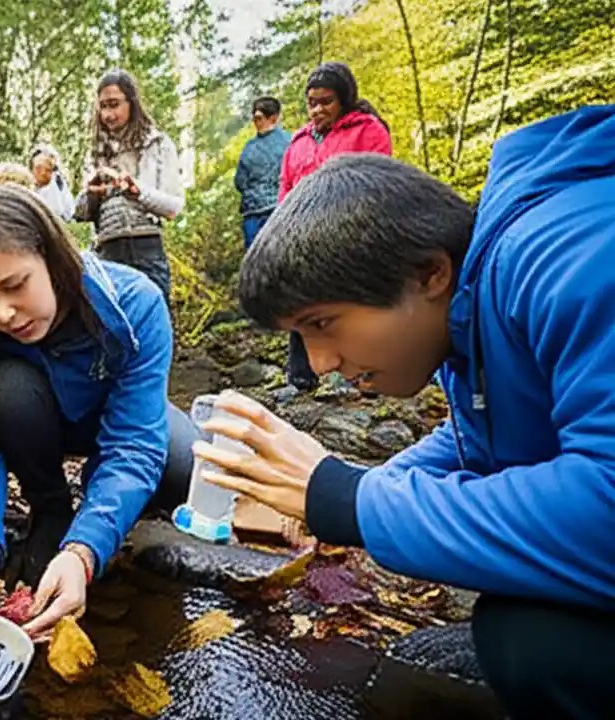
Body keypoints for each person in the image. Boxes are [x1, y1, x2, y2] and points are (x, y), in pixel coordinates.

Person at [196, 107, 615, 719]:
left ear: (429, 274)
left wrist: (351, 501)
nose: (316, 364)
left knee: (531, 642)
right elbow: (478, 434)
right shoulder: (471, 311)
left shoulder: (566, 256)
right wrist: (349, 490)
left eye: (322, 324)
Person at [0, 185, 197, 639]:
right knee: (6, 388)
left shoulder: (135, 303)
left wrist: (84, 550)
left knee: (182, 466)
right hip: (27, 418)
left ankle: (92, 511)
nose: (4, 314)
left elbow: (134, 443)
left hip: (116, 420)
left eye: (14, 285)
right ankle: (50, 506)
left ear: (52, 256)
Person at [278, 61, 391, 391]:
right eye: (311, 102)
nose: (317, 109)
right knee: (302, 303)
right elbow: (286, 185)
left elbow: (379, 180)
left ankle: (366, 373)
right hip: (304, 235)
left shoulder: (367, 130)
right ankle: (301, 375)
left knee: (352, 304)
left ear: (344, 99)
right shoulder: (299, 140)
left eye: (325, 101)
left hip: (351, 233)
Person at [76, 69, 184, 305]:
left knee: (153, 328)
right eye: (102, 106)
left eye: (114, 105)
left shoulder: (158, 144)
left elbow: (173, 206)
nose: (108, 114)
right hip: (108, 253)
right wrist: (92, 195)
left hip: (146, 249)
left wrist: (137, 190)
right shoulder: (95, 151)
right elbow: (79, 213)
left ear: (131, 103)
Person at [234, 97, 290, 250]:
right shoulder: (290, 141)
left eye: (259, 118)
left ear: (273, 117)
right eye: (255, 118)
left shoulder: (250, 148)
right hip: (273, 209)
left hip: (271, 210)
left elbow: (240, 182)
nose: (256, 122)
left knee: (257, 258)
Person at [28, 144, 75, 221]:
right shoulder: (26, 186)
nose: (43, 173)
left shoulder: (55, 186)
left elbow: (61, 213)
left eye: (47, 169)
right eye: (38, 168)